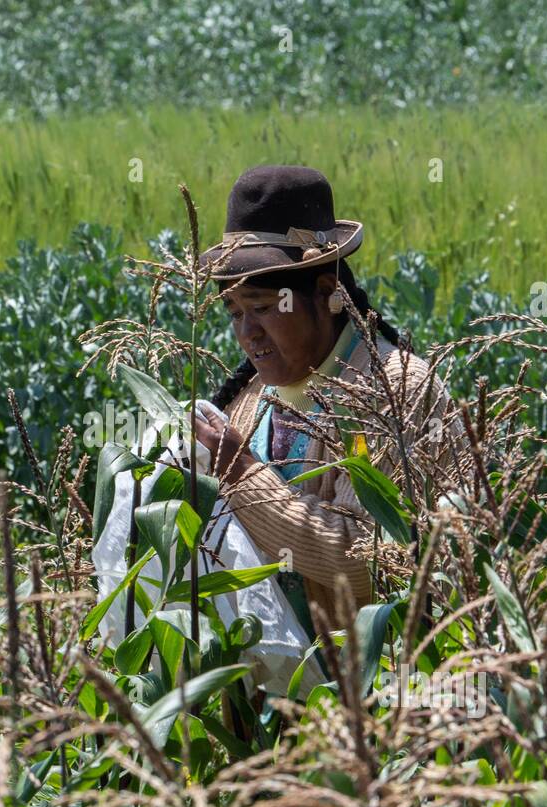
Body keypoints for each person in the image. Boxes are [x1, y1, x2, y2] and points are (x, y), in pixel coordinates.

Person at [192, 165, 455, 641]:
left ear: (329, 293)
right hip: (270, 701)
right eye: (235, 313)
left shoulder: (396, 397)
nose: (248, 334)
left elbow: (376, 560)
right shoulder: (250, 402)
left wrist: (242, 475)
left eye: (265, 308)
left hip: (375, 688)